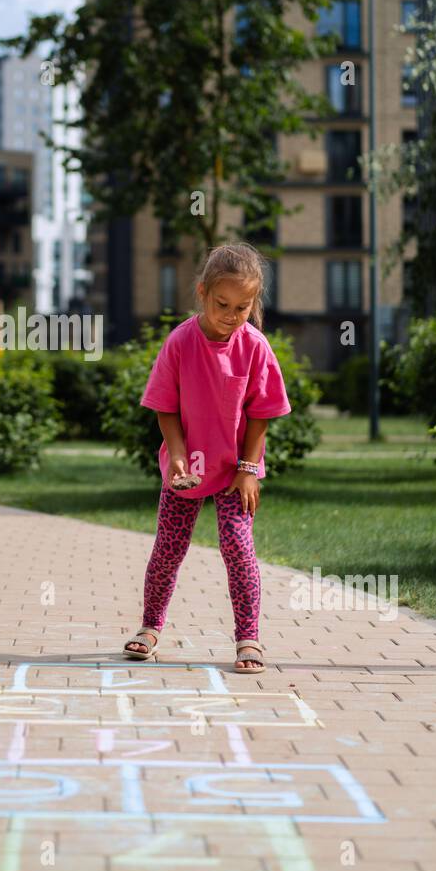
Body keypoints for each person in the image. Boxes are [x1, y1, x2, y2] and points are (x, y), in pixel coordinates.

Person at [125, 241, 291, 674]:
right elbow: (165, 406)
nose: (231, 315)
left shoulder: (254, 347)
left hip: (237, 470)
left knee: (238, 549)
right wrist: (176, 455)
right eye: (222, 304)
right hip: (187, 470)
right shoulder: (180, 342)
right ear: (202, 292)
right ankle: (149, 627)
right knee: (168, 548)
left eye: (243, 306)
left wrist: (249, 469)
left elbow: (261, 414)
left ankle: (248, 638)